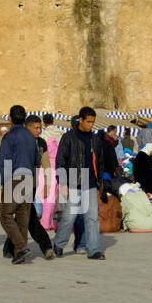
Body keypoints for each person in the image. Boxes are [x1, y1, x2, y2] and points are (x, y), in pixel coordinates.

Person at [53, 106, 107, 260]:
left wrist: (99, 184)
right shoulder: (69, 137)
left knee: (92, 218)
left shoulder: (95, 139)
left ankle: (94, 250)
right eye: (88, 121)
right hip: (73, 182)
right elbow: (60, 161)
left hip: (90, 183)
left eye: (93, 122)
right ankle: (59, 244)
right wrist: (62, 183)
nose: (91, 124)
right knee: (70, 217)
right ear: (80, 120)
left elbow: (100, 163)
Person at [0, 105, 39, 264]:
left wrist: (0, 184)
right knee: (22, 216)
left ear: (10, 118)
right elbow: (36, 160)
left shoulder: (9, 137)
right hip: (29, 178)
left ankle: (20, 247)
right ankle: (20, 251)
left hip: (14, 179)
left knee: (5, 215)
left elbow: (5, 162)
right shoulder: (30, 137)